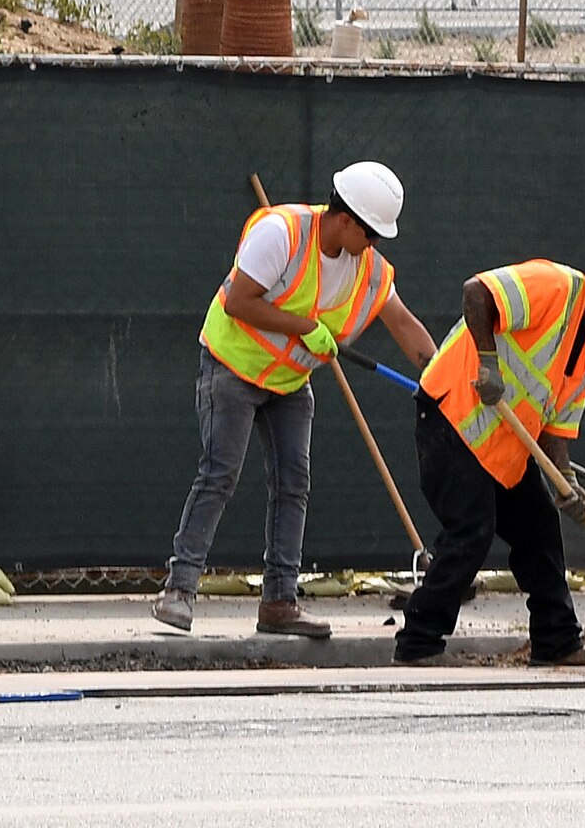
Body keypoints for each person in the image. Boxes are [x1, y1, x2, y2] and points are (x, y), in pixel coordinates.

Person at [155, 161, 438, 636]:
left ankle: (279, 603)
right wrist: (306, 328)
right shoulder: (281, 234)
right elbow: (239, 302)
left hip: (288, 383)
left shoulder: (367, 269)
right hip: (232, 367)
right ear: (345, 219)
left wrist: (439, 380)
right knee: (220, 473)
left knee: (293, 484)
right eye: (370, 233)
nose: (374, 244)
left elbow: (405, 325)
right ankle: (178, 590)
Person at [392, 227, 585, 668]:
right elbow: (477, 292)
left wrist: (566, 485)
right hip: (450, 422)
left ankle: (557, 642)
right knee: (472, 530)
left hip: (502, 447)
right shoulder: (553, 286)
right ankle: (419, 644)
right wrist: (486, 361)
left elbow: (558, 426)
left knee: (540, 531)